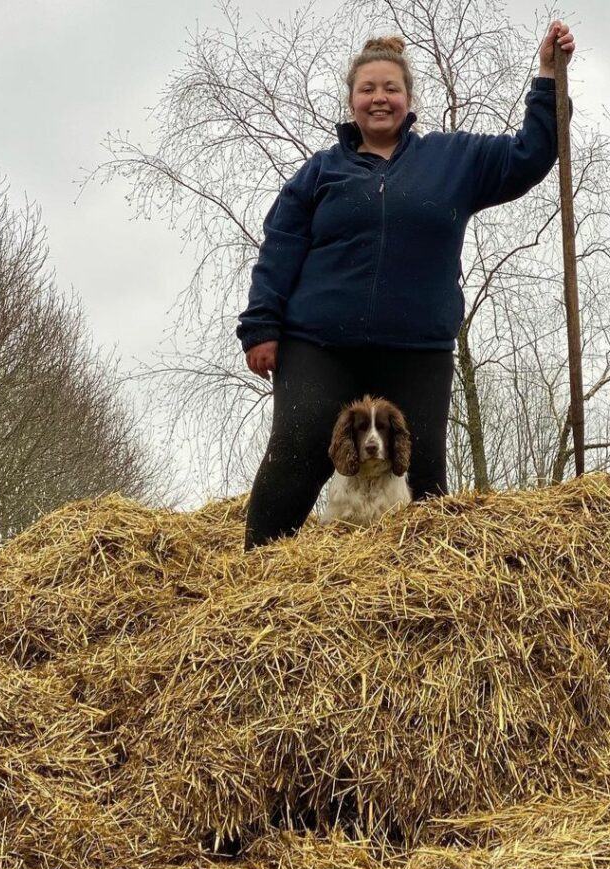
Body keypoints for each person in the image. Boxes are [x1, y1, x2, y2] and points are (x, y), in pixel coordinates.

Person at [237, 21, 575, 549]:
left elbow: (529, 155)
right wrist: (261, 325)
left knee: (424, 479)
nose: (379, 98)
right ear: (352, 100)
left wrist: (548, 77)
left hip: (416, 349)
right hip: (320, 345)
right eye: (367, 89)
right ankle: (253, 571)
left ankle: (422, 593)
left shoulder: (451, 160)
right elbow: (280, 247)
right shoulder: (319, 173)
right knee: (297, 449)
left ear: (408, 99)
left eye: (390, 88)